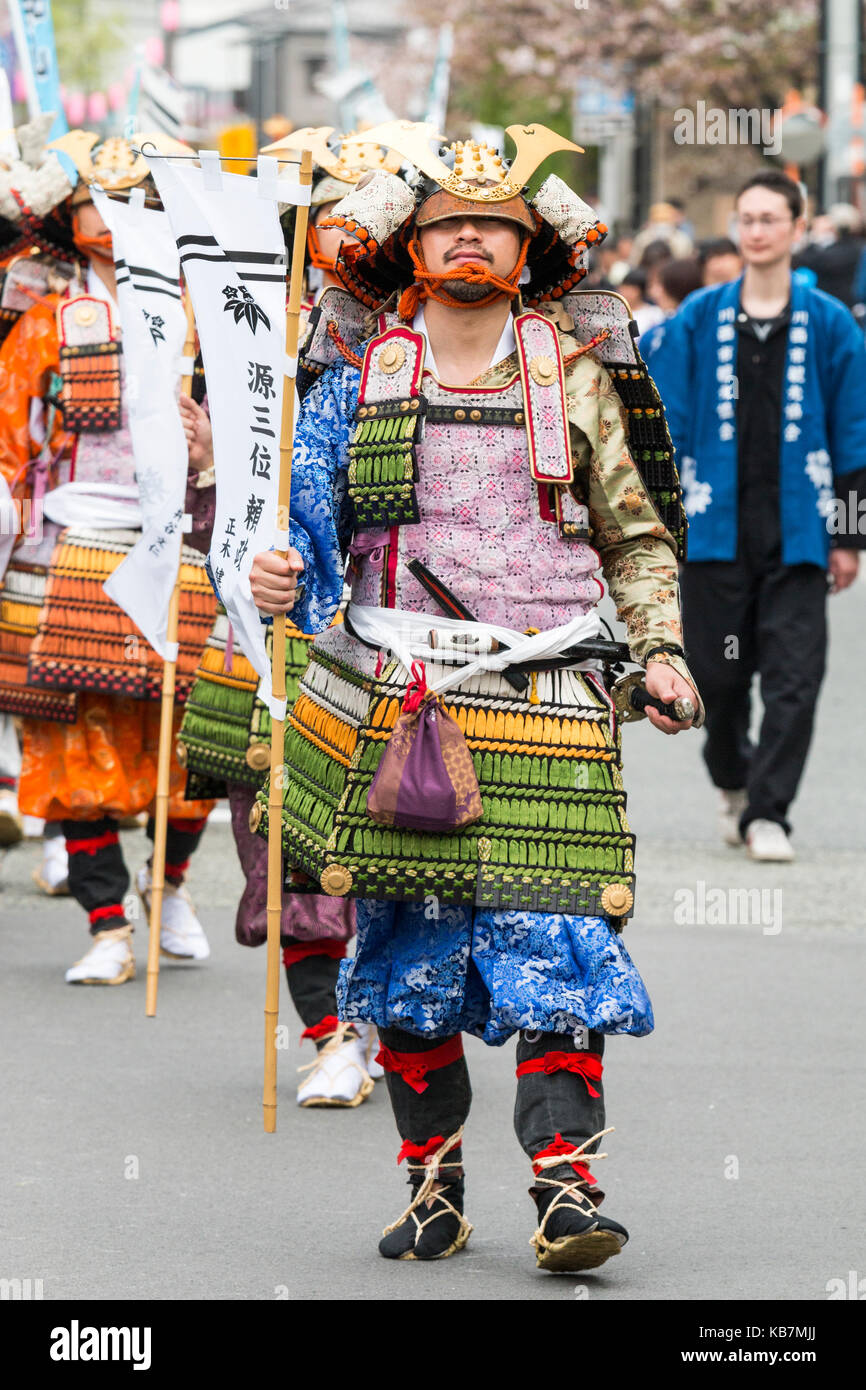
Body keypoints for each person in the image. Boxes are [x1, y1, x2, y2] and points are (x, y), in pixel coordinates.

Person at [249, 121, 702, 1271]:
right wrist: (275, 569)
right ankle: (431, 1181)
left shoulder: (575, 374)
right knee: (409, 951)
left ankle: (563, 1187)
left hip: (546, 684)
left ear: (525, 249)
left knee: (557, 935)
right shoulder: (354, 376)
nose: (468, 237)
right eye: (448, 219)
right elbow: (301, 525)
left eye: (492, 223)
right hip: (397, 690)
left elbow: (636, 534)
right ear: (409, 243)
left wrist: (659, 649)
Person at [177, 130, 398, 1103]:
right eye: (327, 209)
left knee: (397, 820)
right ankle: (328, 1030)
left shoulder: (434, 338)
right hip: (271, 593)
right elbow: (204, 437)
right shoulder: (243, 319)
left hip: (394, 617)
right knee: (273, 819)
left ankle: (391, 1019)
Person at [0, 132, 217, 981]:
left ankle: (169, 887)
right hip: (72, 542)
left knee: (196, 739)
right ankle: (105, 922)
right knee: (68, 738)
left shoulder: (211, 320)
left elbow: (258, 445)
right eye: (102, 199)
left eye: (140, 200)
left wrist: (214, 448)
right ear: (70, 218)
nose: (120, 217)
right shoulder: (48, 324)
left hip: (187, 544)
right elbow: (12, 448)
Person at [647, 170, 866, 860]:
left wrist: (850, 535)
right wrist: (660, 517)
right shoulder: (701, 317)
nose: (758, 230)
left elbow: (856, 429)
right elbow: (668, 420)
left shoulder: (832, 324)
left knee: (795, 679)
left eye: (772, 218)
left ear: (798, 230)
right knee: (717, 678)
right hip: (713, 530)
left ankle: (769, 813)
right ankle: (733, 777)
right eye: (747, 218)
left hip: (800, 531)